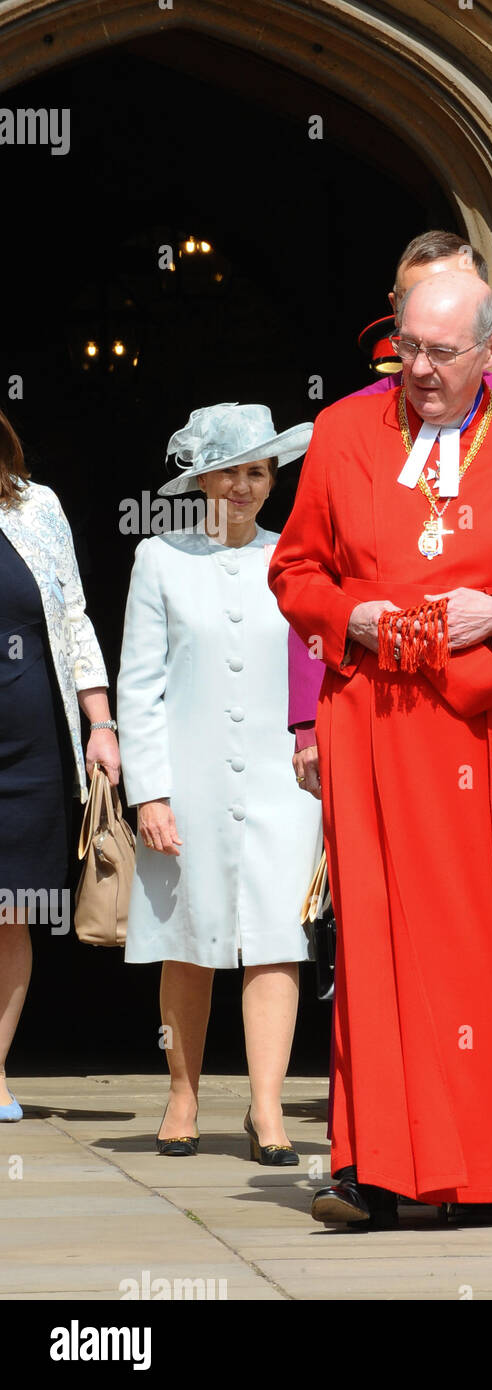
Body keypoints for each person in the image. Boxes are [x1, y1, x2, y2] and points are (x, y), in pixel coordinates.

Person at [269, 271, 492, 1228]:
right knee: (378, 946)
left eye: (441, 353)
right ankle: (375, 1169)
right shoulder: (341, 434)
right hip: (373, 724)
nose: (419, 370)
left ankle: (488, 1173)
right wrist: (349, 615)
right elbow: (296, 568)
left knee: (486, 953)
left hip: (491, 730)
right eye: (407, 348)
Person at [118, 404, 322, 1162]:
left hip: (282, 781)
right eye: (232, 470)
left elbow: (317, 665)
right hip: (190, 776)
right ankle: (184, 1093)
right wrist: (151, 792)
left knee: (276, 937)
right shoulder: (159, 559)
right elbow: (139, 685)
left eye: (260, 472)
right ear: (203, 475)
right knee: (191, 938)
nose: (245, 485)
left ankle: (266, 1110)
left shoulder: (294, 557)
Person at [0, 408, 119, 1124]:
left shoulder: (35, 506)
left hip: (32, 748)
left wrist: (100, 722)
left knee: (10, 911)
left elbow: (73, 615)